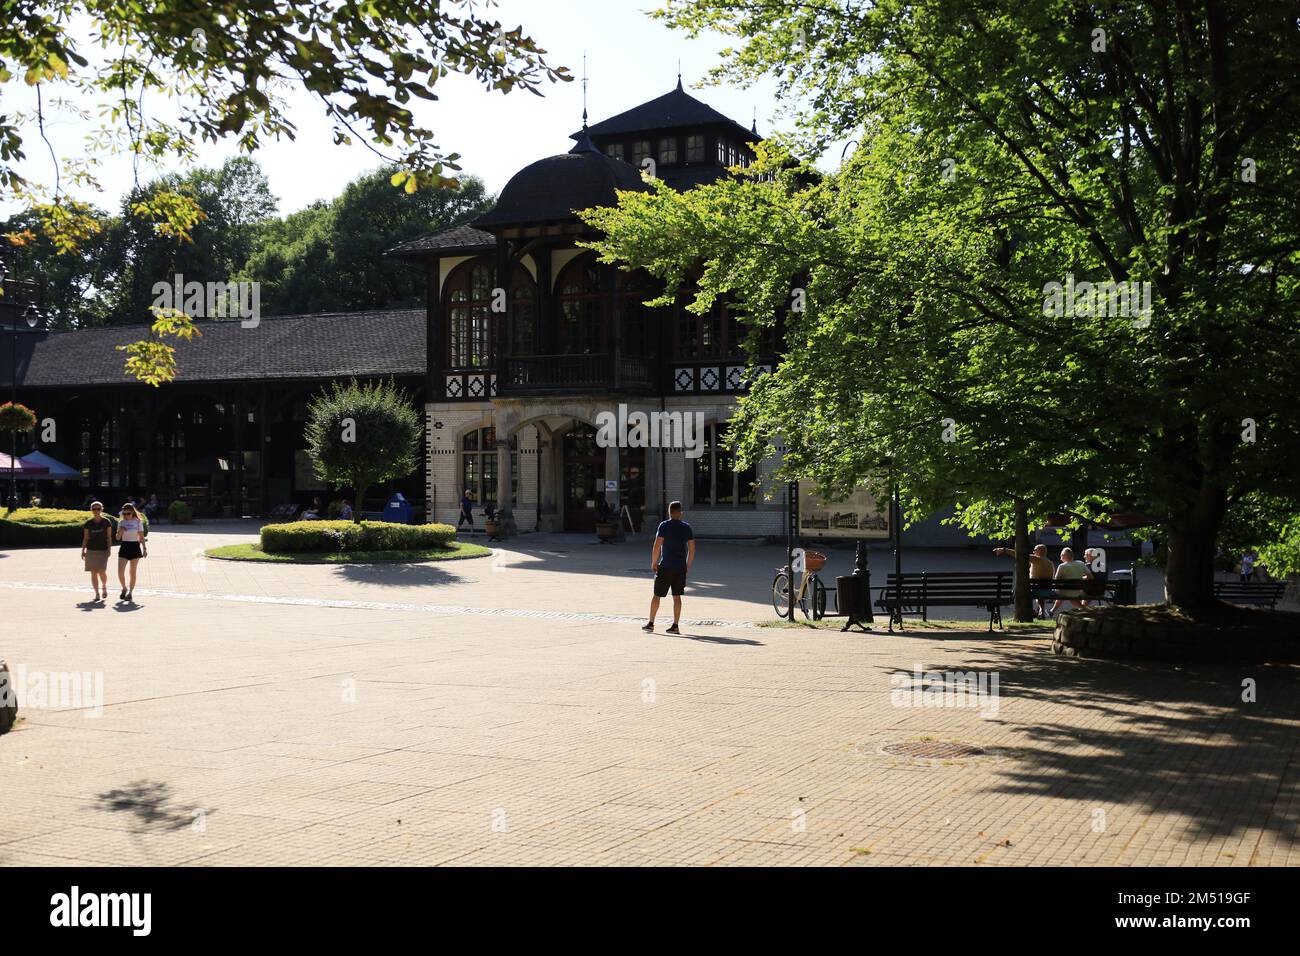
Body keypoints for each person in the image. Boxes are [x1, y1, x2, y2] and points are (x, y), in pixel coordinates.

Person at [643, 501, 695, 635]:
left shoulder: (664, 525)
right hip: (680, 568)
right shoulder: (686, 527)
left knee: (657, 595)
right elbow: (692, 549)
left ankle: (651, 623)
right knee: (677, 597)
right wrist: (687, 565)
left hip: (665, 566)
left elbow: (657, 545)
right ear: (680, 513)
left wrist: (654, 562)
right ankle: (675, 625)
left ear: (669, 512)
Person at [992, 543, 1057, 618]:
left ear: (1040, 551)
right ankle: (1041, 611)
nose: (1033, 552)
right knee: (1038, 590)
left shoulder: (1037, 559)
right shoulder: (1050, 563)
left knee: (1019, 590)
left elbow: (1019, 555)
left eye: (1035, 550)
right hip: (1047, 590)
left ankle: (1031, 611)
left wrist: (1004, 550)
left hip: (1035, 589)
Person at [79, 501, 114, 602]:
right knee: (93, 572)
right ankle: (97, 593)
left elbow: (109, 537)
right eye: (94, 509)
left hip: (103, 550)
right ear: (91, 510)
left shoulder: (106, 522)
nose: (96, 511)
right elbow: (85, 538)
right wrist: (83, 550)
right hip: (91, 550)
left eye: (98, 509)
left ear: (101, 509)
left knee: (102, 571)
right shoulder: (88, 523)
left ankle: (104, 586)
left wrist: (109, 550)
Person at [115, 501, 148, 602]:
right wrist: (121, 530)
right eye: (124, 514)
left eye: (128, 513)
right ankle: (124, 588)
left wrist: (144, 549)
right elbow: (117, 537)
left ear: (132, 512)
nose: (126, 516)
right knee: (120, 571)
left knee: (132, 572)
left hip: (134, 546)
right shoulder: (121, 522)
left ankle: (130, 592)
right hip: (124, 546)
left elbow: (141, 537)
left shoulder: (138, 522)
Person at [1049, 547, 1092, 616]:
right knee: (1069, 593)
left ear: (1064, 556)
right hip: (1077, 591)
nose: (1060, 558)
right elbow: (1090, 577)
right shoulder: (1081, 563)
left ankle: (1085, 610)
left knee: (1064, 592)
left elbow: (1056, 581)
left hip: (1065, 591)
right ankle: (1052, 611)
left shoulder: (1062, 566)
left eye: (1061, 556)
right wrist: (1080, 578)